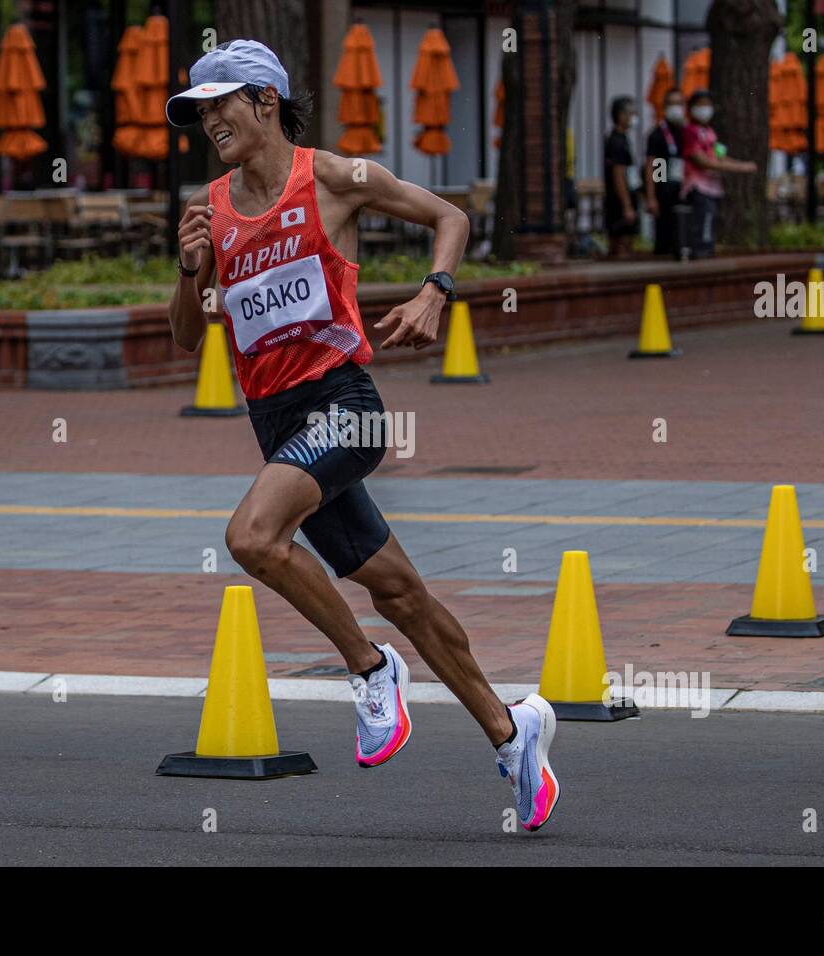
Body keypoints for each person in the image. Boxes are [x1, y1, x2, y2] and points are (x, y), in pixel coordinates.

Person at [165, 40, 560, 831]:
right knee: (400, 592)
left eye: (221, 104)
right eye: (199, 112)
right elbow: (184, 339)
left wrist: (434, 293)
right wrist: (189, 271)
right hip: (278, 425)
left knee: (251, 537)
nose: (209, 121)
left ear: (265, 102)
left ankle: (371, 670)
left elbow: (450, 217)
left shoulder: (335, 179)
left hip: (346, 407)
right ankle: (514, 732)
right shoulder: (211, 204)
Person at [679, 90, 758, 259]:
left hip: (711, 186)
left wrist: (741, 164)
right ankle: (699, 252)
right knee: (701, 221)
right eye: (700, 105)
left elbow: (719, 156)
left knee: (709, 220)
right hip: (694, 185)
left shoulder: (709, 132)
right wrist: (739, 169)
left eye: (707, 104)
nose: (704, 109)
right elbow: (701, 160)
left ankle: (706, 250)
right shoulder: (688, 131)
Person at [643, 87, 687, 257]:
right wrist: (652, 196)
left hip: (682, 186)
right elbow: (652, 165)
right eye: (672, 104)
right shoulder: (658, 134)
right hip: (664, 186)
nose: (676, 107)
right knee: (664, 232)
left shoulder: (684, 131)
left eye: (679, 103)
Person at [603, 95, 641, 257]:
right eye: (631, 113)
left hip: (627, 195)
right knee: (622, 243)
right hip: (619, 200)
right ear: (620, 115)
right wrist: (627, 206)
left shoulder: (623, 139)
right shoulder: (616, 142)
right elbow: (618, 174)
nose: (633, 117)